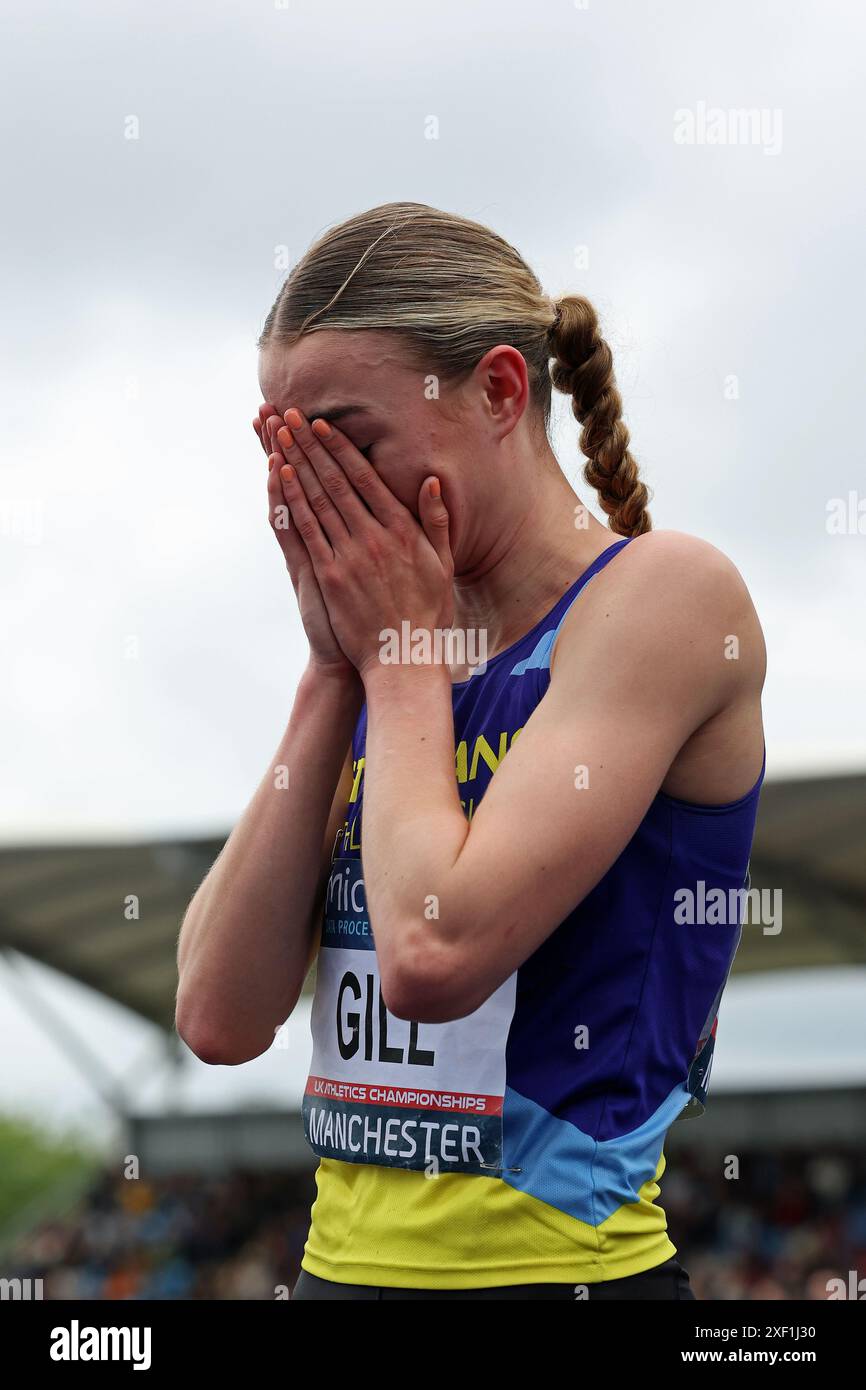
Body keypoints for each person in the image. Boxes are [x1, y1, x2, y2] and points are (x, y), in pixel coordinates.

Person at [176, 202, 766, 1300]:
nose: (319, 497)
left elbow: (432, 959)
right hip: (330, 1274)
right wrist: (328, 672)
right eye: (289, 455)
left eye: (346, 445)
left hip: (556, 1275)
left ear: (498, 392)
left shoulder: (661, 598)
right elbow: (217, 1015)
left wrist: (396, 660)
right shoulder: (386, 659)